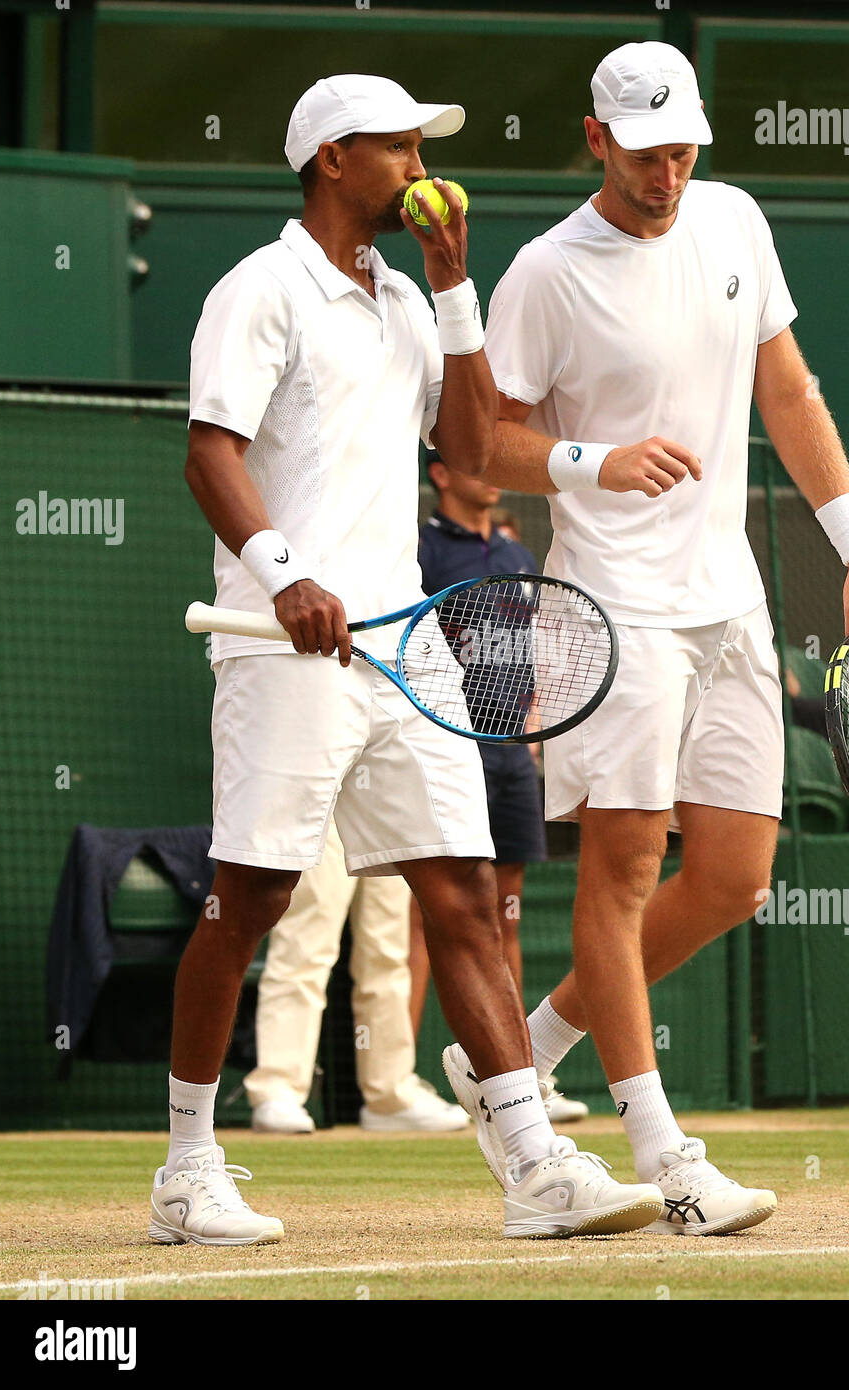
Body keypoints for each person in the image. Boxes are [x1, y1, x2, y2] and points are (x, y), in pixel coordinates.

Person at [152, 72, 664, 1246]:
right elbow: (208, 454)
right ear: (333, 158)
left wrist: (451, 283)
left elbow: (477, 448)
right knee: (254, 898)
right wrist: (286, 576)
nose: (419, 169)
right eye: (398, 148)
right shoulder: (259, 289)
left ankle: (534, 1167)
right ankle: (187, 1164)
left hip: (402, 643)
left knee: (465, 897)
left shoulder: (403, 297)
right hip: (283, 644)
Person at [445, 42, 849, 1236]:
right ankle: (666, 1154)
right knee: (623, 871)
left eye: (686, 147)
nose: (670, 171)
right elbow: (477, 446)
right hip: (608, 604)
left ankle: (528, 1048)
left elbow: (788, 389)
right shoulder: (544, 273)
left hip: (729, 603)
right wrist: (594, 462)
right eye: (646, 153)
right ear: (596, 141)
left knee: (736, 877)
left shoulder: (735, 221)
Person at [415, 450, 588, 1124]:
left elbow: (539, 652)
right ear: (440, 472)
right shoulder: (422, 550)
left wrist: (536, 725)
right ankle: (405, 1084)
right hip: (442, 748)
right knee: (435, 910)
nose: (488, 471)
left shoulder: (519, 554)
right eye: (471, 459)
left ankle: (517, 1076)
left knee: (505, 911)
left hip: (511, 755)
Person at [246, 821, 468, 1135]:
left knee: (388, 952)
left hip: (385, 800)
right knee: (305, 944)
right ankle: (277, 1089)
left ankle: (390, 1095)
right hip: (324, 798)